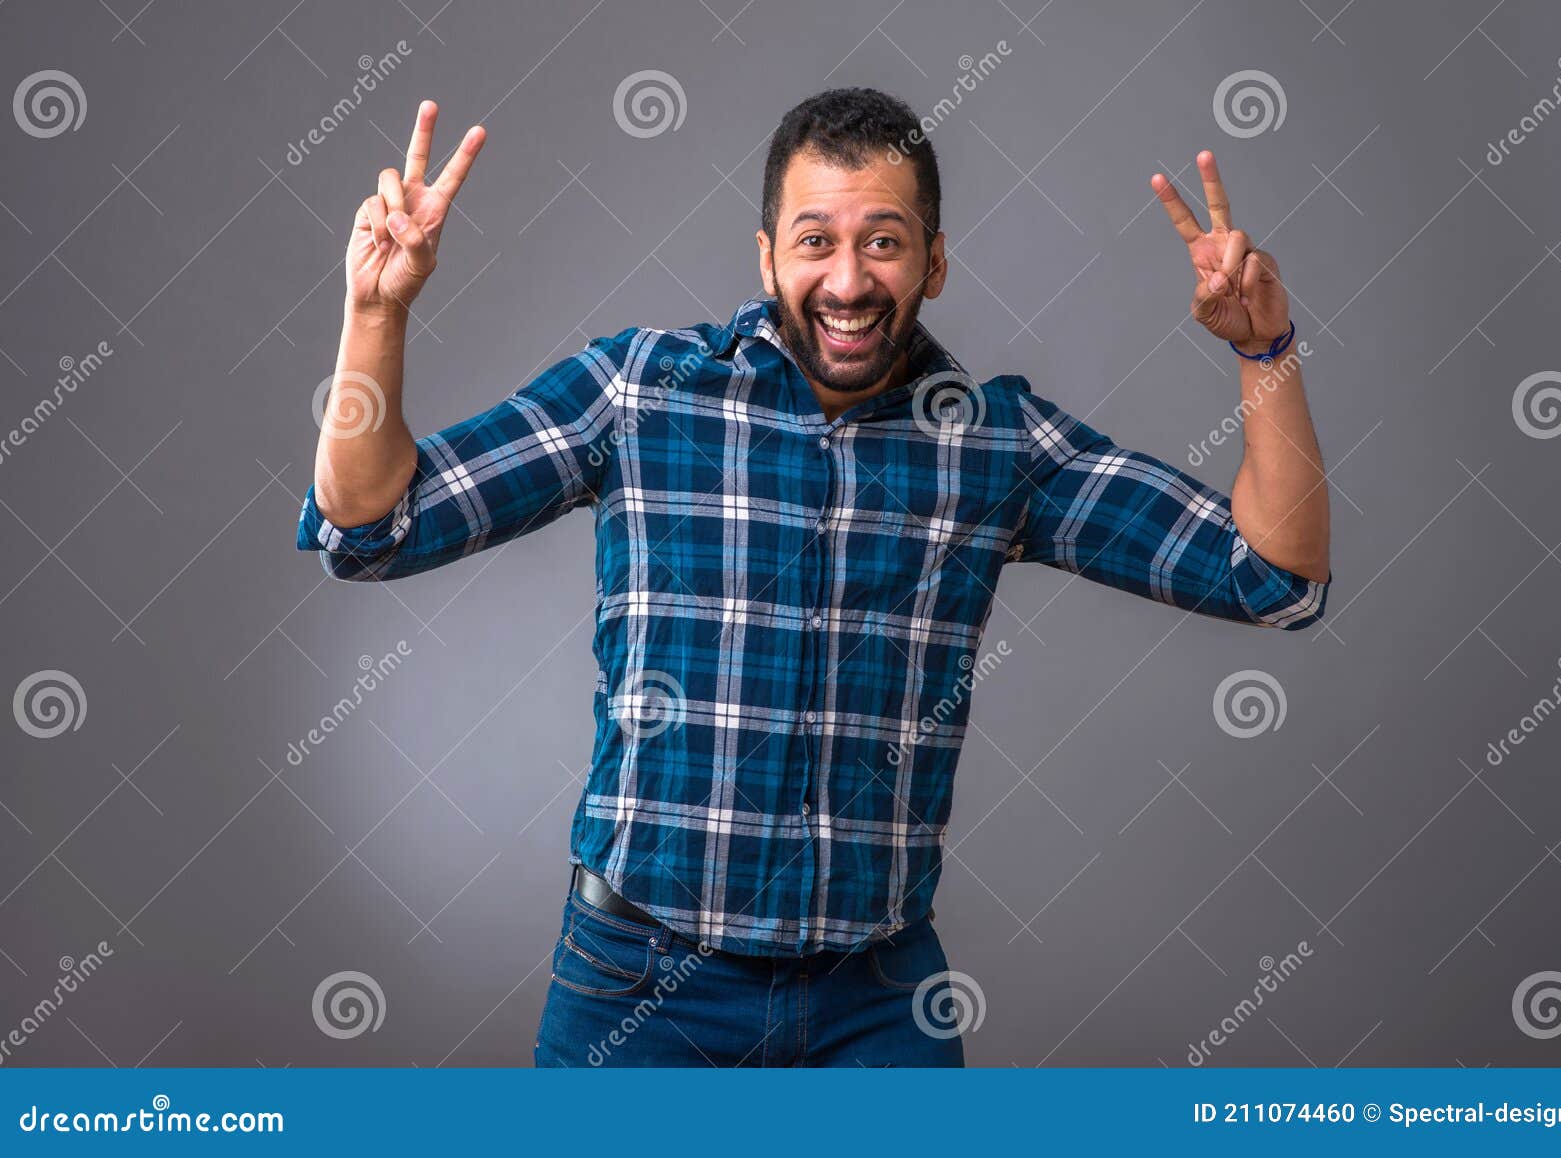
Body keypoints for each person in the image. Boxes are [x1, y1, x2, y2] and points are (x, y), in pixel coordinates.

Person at [296, 88, 1332, 1067]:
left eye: (883, 241)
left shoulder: (995, 443)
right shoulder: (642, 391)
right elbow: (375, 523)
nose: (846, 280)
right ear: (766, 257)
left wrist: (1265, 350)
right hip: (640, 991)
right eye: (815, 242)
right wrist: (376, 312)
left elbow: (1271, 572)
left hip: (874, 1002)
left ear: (932, 262)